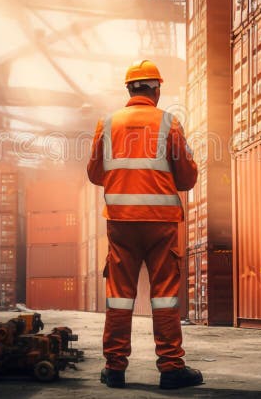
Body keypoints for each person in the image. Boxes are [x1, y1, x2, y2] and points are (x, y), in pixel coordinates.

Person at [87, 59, 203, 390]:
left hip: (121, 225)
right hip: (161, 225)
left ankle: (114, 369)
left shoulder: (107, 124)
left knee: (120, 297)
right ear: (156, 89)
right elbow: (188, 177)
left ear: (129, 89)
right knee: (164, 296)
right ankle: (170, 368)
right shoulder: (169, 123)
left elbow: (95, 174)